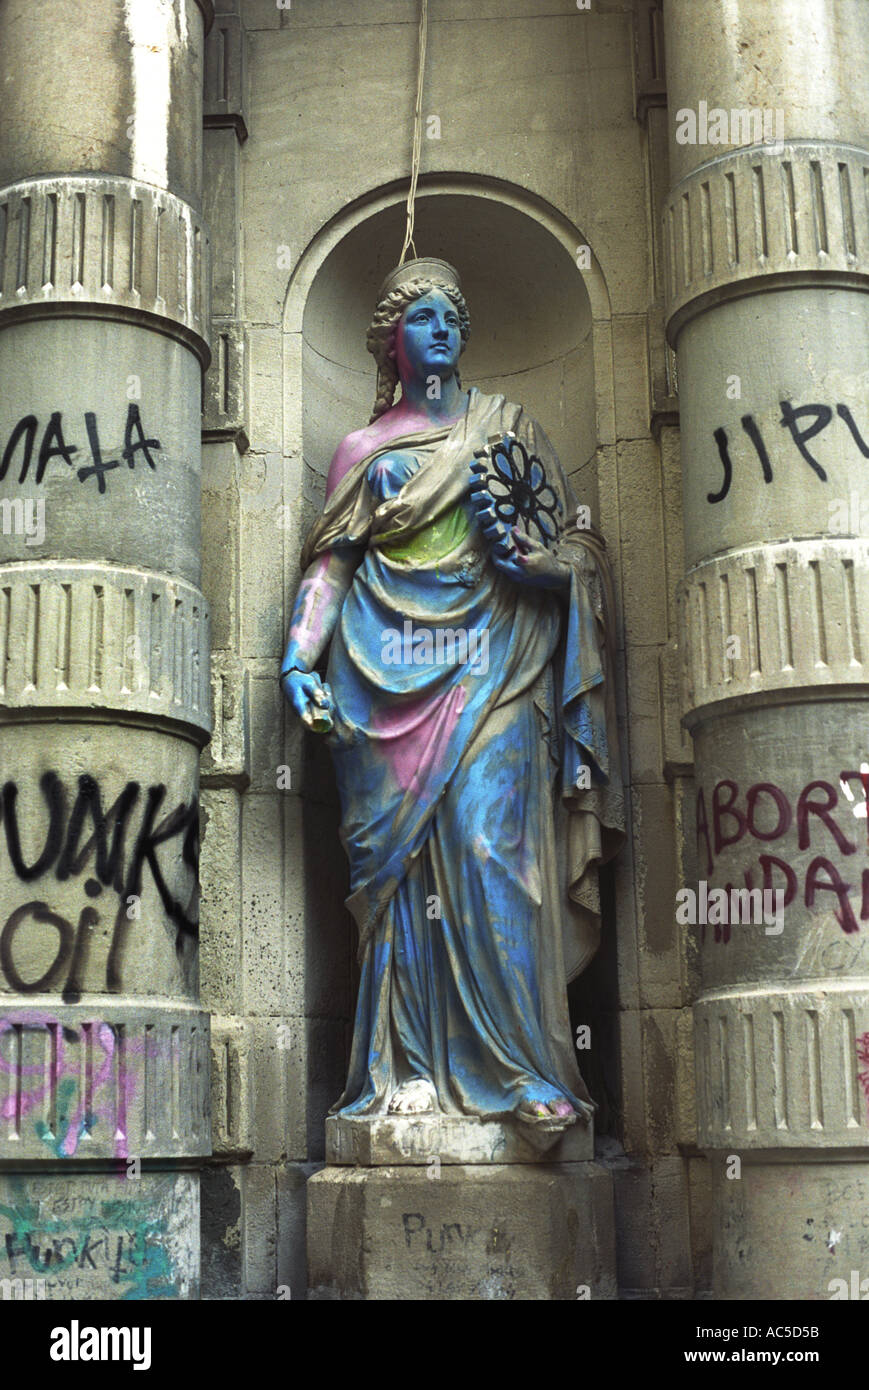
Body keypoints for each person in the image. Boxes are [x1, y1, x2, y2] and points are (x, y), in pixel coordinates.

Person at [281, 256, 623, 1134]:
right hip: (381, 667)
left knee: (492, 848)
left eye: (452, 317)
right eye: (422, 317)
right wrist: (297, 661)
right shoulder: (362, 451)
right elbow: (331, 564)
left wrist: (552, 572)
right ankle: (408, 1067)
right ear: (390, 341)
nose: (442, 329)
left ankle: (520, 1070)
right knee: (401, 877)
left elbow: (579, 541)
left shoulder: (509, 429)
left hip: (497, 662)